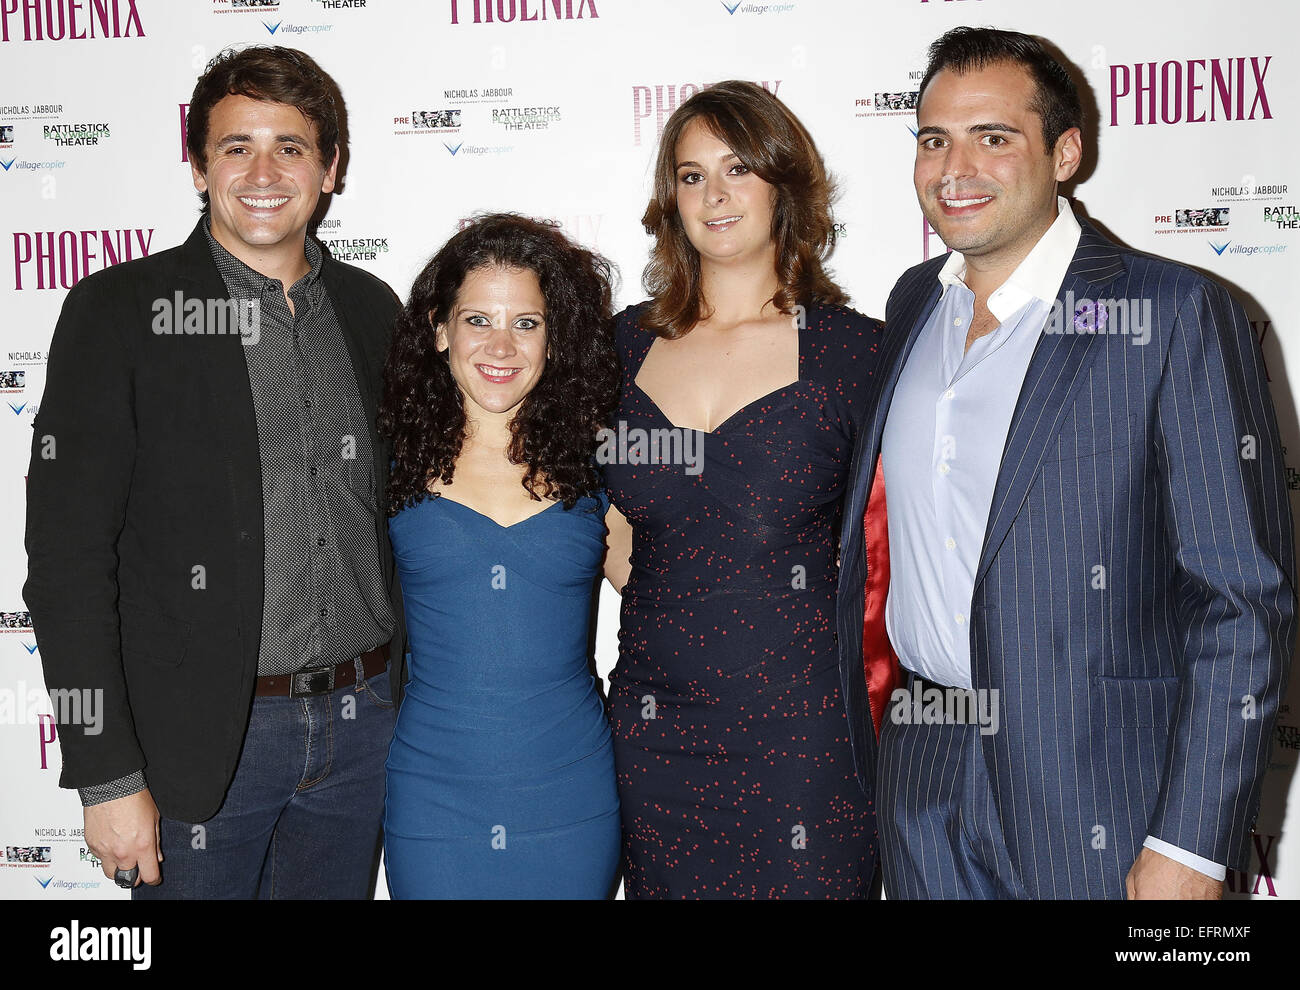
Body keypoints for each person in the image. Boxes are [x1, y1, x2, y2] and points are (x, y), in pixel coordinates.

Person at [838, 26, 1296, 900]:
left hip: (1105, 788)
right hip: (925, 763)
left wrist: (1195, 843)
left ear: (1066, 152)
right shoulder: (909, 305)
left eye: (994, 137)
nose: (954, 167)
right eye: (934, 140)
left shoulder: (1173, 312)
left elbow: (1242, 598)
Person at [24, 45, 406, 899]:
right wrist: (107, 777)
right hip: (199, 745)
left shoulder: (374, 311)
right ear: (197, 167)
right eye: (236, 147)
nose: (263, 172)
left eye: (291, 147)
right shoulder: (117, 313)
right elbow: (66, 565)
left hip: (363, 732)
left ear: (332, 168)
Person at [603, 81, 882, 898]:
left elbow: (901, 544)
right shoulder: (621, 345)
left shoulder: (856, 353)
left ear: (782, 184)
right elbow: (596, 523)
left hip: (804, 744)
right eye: (691, 176)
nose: (715, 195)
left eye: (737, 170)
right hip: (653, 734)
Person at [378, 214, 622, 899]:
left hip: (571, 794)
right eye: (478, 319)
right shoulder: (387, 463)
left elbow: (667, 587)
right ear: (439, 328)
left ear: (554, 337)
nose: (501, 345)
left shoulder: (599, 461)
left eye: (527, 323)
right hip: (433, 796)